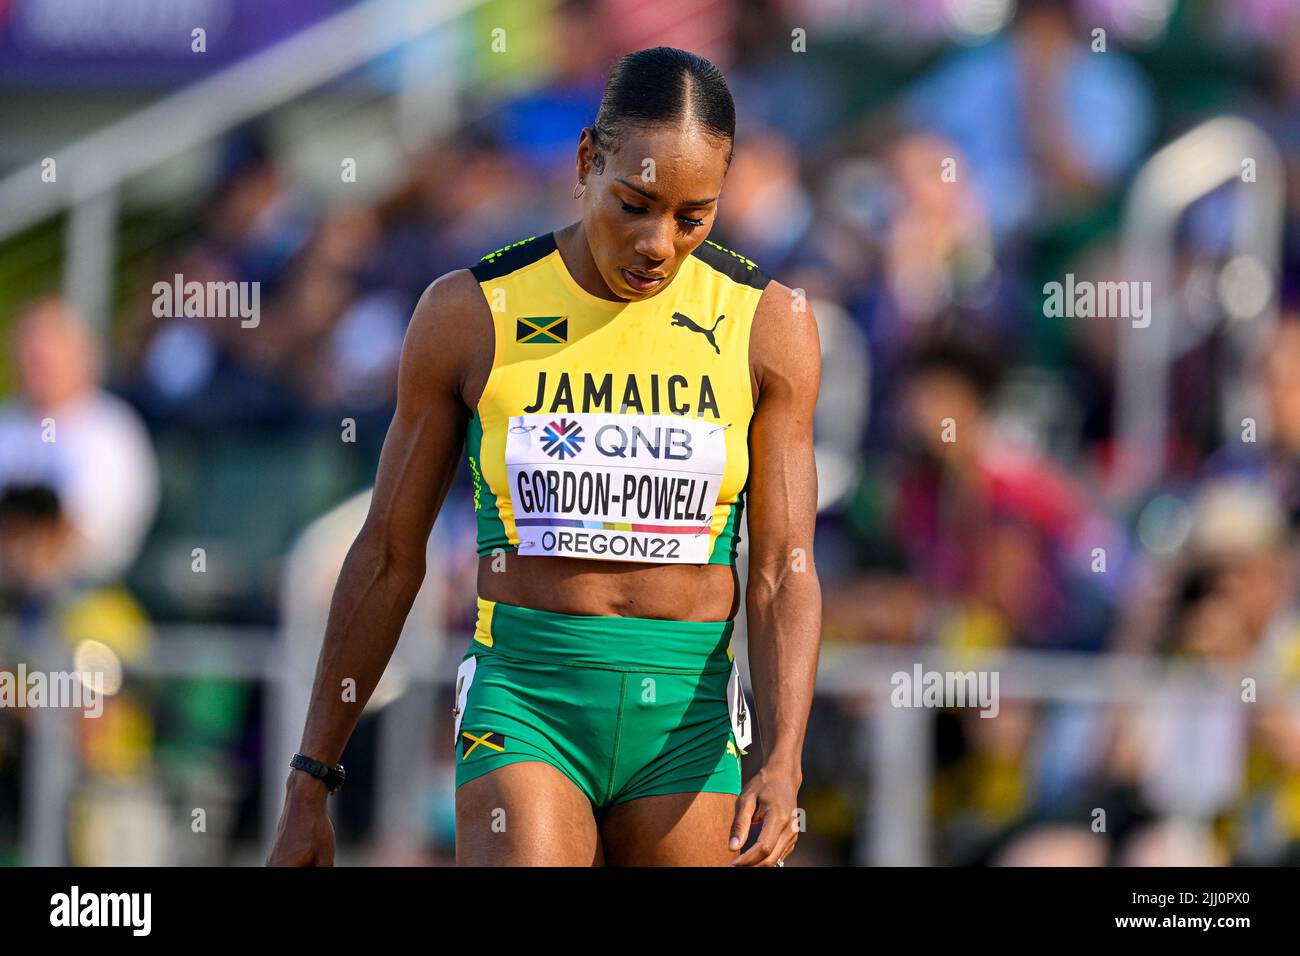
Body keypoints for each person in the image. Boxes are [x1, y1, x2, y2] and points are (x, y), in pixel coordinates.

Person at [267, 46, 821, 867]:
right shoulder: (468, 313)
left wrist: (783, 761)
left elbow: (782, 567)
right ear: (586, 160)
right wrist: (310, 781)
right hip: (527, 702)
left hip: (690, 721)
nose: (658, 244)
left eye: (692, 216)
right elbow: (388, 552)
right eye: (634, 203)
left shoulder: (770, 326)